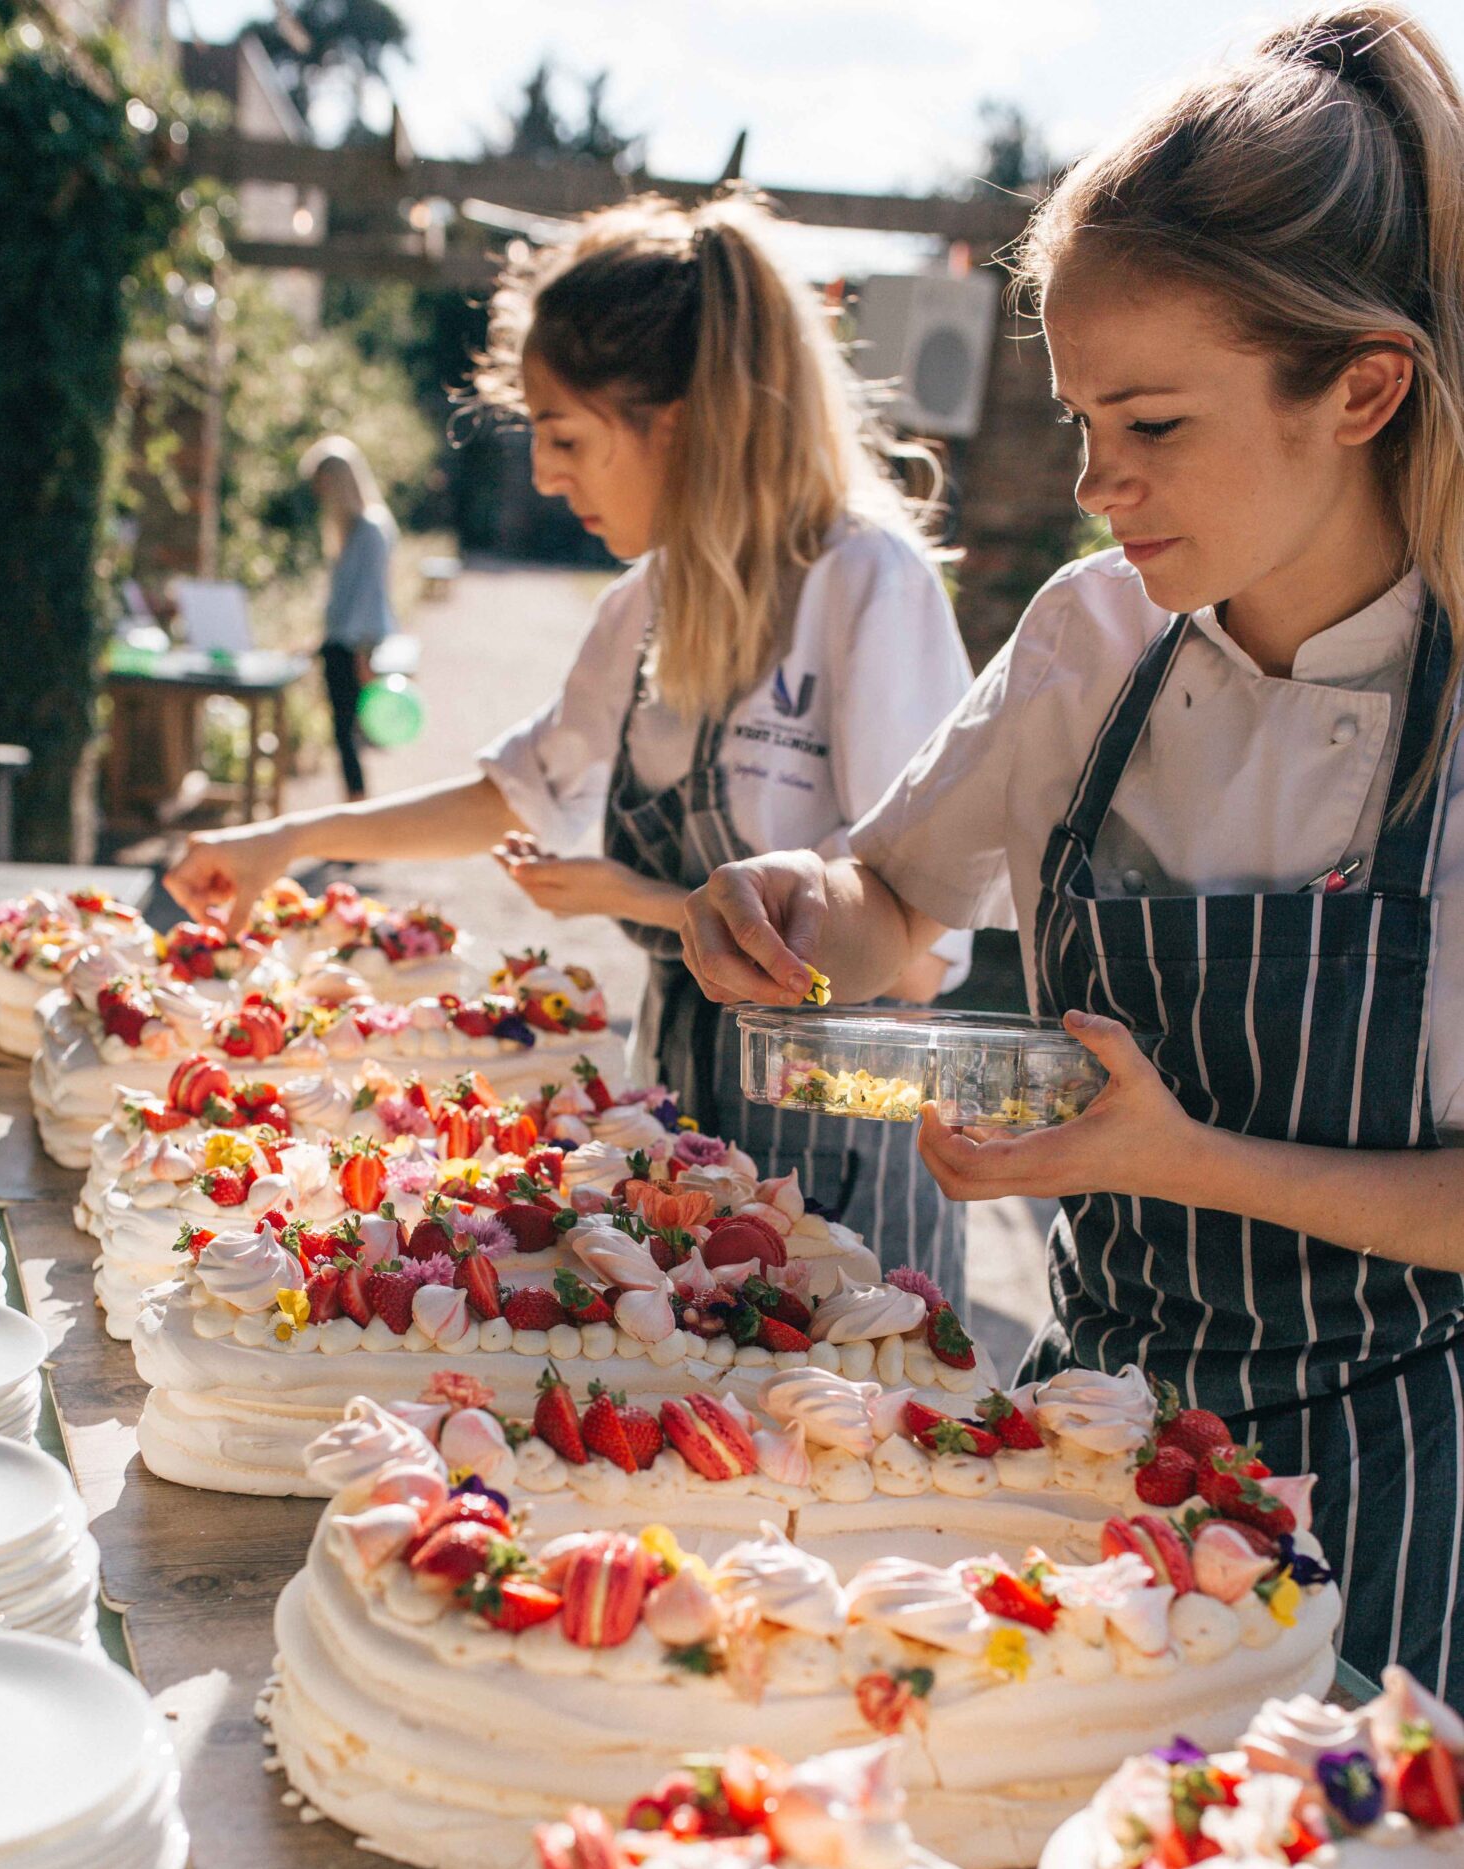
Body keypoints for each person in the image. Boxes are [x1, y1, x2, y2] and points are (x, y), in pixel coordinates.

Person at [680, 4, 1464, 1691]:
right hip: (1096, 1447)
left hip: (1397, 1496)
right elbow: (896, 901)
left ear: (1361, 387)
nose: (1098, 482)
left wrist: (1182, 1159)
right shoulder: (1091, 637)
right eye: (1080, 418)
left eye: (1153, 425)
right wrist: (791, 905)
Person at [169, 195, 977, 1295]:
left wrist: (641, 900)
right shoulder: (647, 604)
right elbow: (515, 790)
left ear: (680, 424)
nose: (547, 477)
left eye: (565, 438)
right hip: (690, 1118)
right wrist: (290, 838)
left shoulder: (867, 584)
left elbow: (922, 952)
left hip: (851, 1142)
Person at [303, 435, 397, 803]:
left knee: (348, 734)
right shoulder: (357, 529)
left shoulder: (369, 530)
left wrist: (361, 654)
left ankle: (357, 809)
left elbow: (368, 598)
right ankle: (354, 805)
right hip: (343, 643)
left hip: (353, 647)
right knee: (343, 733)